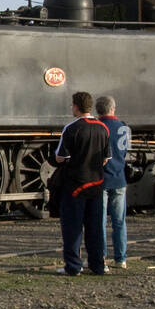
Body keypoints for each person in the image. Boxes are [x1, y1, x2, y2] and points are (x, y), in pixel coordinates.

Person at [54, 91, 110, 276]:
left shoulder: (71, 128)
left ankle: (73, 266)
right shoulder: (103, 128)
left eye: (72, 105)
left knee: (72, 227)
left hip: (75, 184)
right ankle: (97, 265)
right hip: (96, 183)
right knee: (95, 227)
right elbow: (106, 158)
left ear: (76, 106)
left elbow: (61, 157)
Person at [96, 95, 128, 269]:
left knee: (100, 222)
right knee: (119, 221)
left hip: (102, 179)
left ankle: (101, 257)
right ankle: (121, 258)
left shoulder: (98, 127)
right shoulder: (123, 127)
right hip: (119, 177)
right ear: (113, 108)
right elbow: (124, 152)